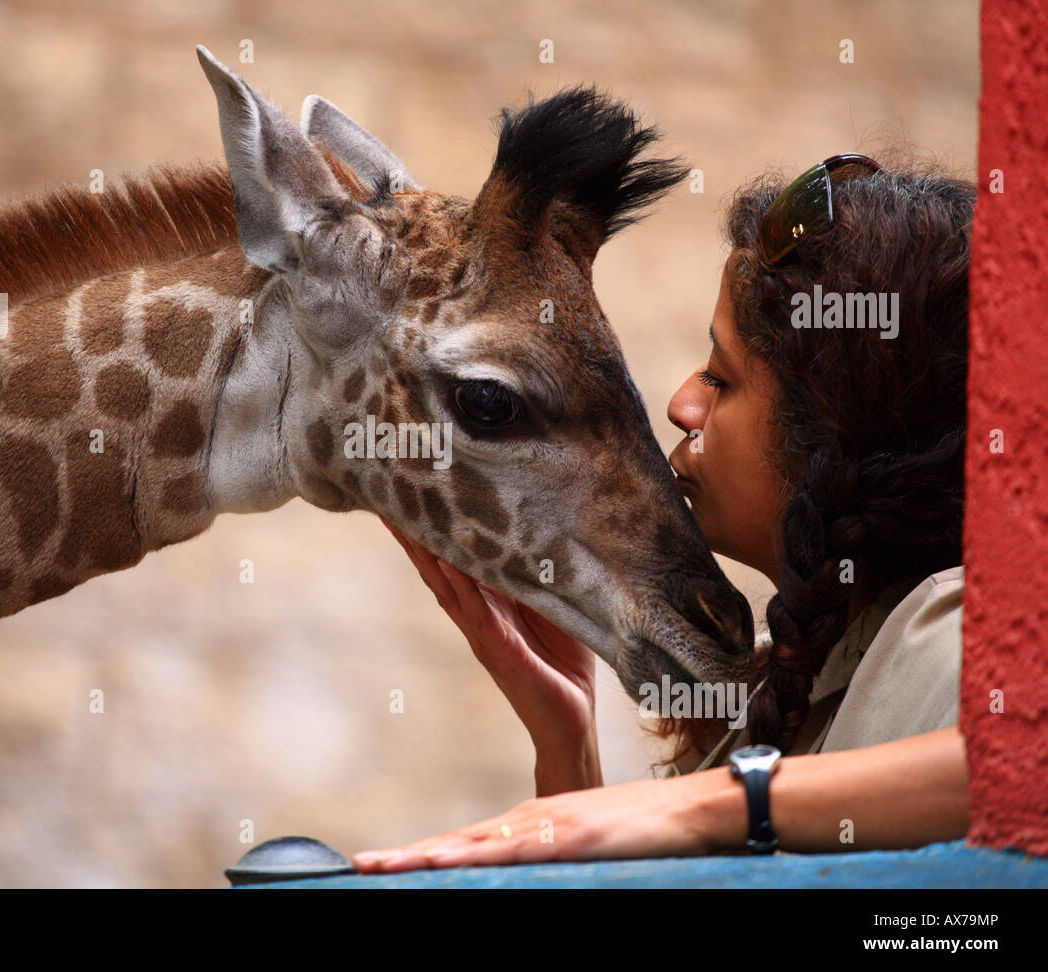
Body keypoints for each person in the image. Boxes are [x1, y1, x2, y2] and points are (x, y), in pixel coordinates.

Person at [353, 154, 975, 872]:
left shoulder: (950, 630)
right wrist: (566, 739)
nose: (683, 403)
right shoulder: (805, 678)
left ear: (837, 430)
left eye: (722, 376)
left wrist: (698, 807)